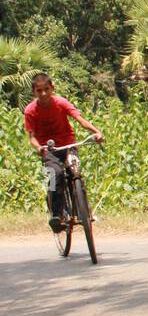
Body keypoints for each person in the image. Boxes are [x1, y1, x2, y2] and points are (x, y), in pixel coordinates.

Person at [24, 74, 104, 231]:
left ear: (52, 88)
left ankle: (84, 212)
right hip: (49, 149)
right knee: (55, 175)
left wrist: (96, 132)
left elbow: (80, 120)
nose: (44, 94)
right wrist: (39, 148)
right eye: (39, 91)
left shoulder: (61, 103)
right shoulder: (30, 111)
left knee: (76, 172)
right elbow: (32, 138)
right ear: (34, 92)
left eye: (47, 89)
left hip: (69, 144)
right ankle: (56, 214)